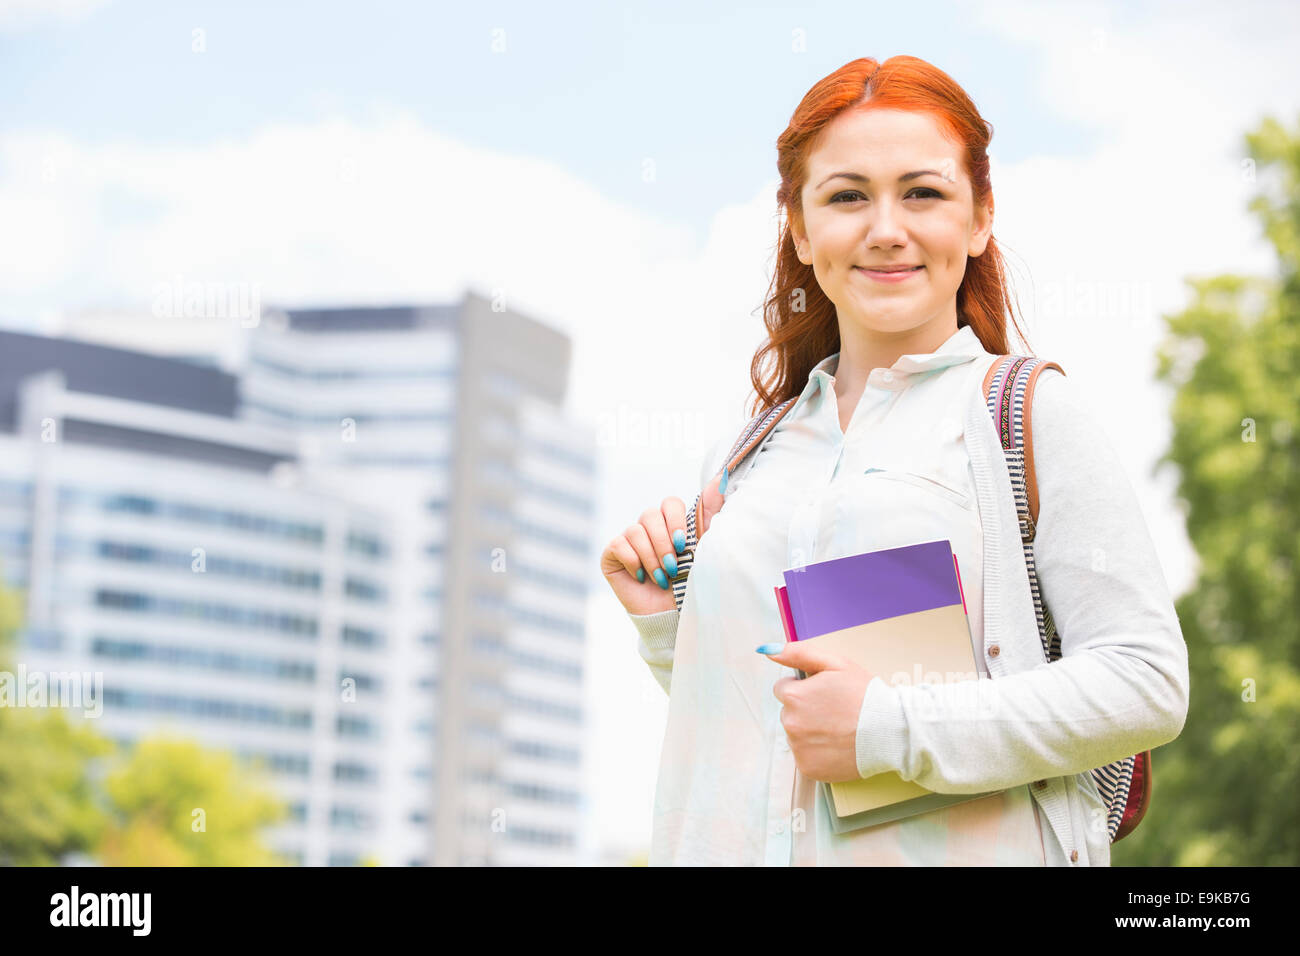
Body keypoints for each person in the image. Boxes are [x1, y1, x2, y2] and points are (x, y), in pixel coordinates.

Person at [598, 55, 1189, 866]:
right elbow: (782, 738)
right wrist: (669, 628)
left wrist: (888, 729)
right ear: (801, 231)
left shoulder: (1024, 417)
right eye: (847, 196)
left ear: (979, 217)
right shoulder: (751, 459)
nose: (885, 228)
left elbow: (1144, 682)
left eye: (923, 192)